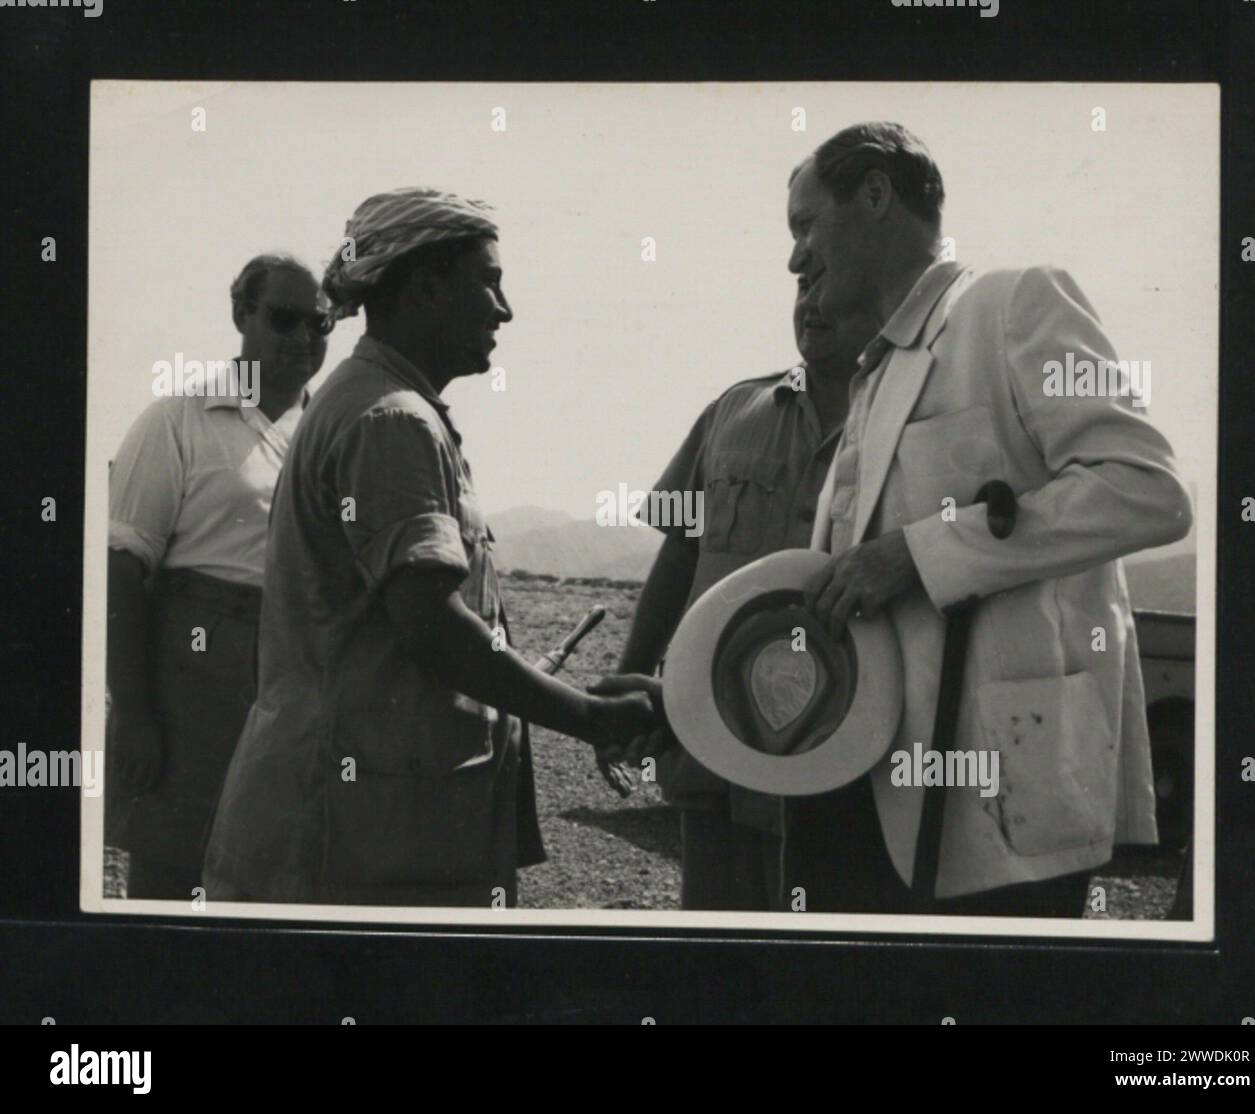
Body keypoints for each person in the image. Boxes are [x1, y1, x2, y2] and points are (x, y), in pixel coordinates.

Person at [202, 188, 654, 908]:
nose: (504, 310)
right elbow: (434, 629)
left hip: (366, 823)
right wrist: (587, 717)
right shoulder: (392, 422)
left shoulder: (374, 403)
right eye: (490, 281)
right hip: (362, 840)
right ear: (427, 285)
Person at [783, 122, 1193, 914]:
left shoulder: (1014, 303)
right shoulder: (873, 373)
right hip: (863, 789)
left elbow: (1147, 489)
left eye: (805, 225)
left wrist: (922, 553)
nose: (795, 256)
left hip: (991, 813)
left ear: (875, 195)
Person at [614, 280, 873, 911]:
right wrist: (628, 678)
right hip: (712, 750)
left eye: (831, 283)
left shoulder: (905, 427)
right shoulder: (734, 411)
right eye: (803, 285)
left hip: (833, 759)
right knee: (714, 963)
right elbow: (679, 553)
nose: (813, 302)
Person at [106, 253, 329, 898]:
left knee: (280, 870)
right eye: (284, 319)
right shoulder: (177, 421)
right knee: (175, 869)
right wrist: (138, 714)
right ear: (241, 315)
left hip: (295, 678)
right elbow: (124, 570)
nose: (303, 338)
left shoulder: (331, 434)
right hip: (193, 682)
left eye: (320, 323)